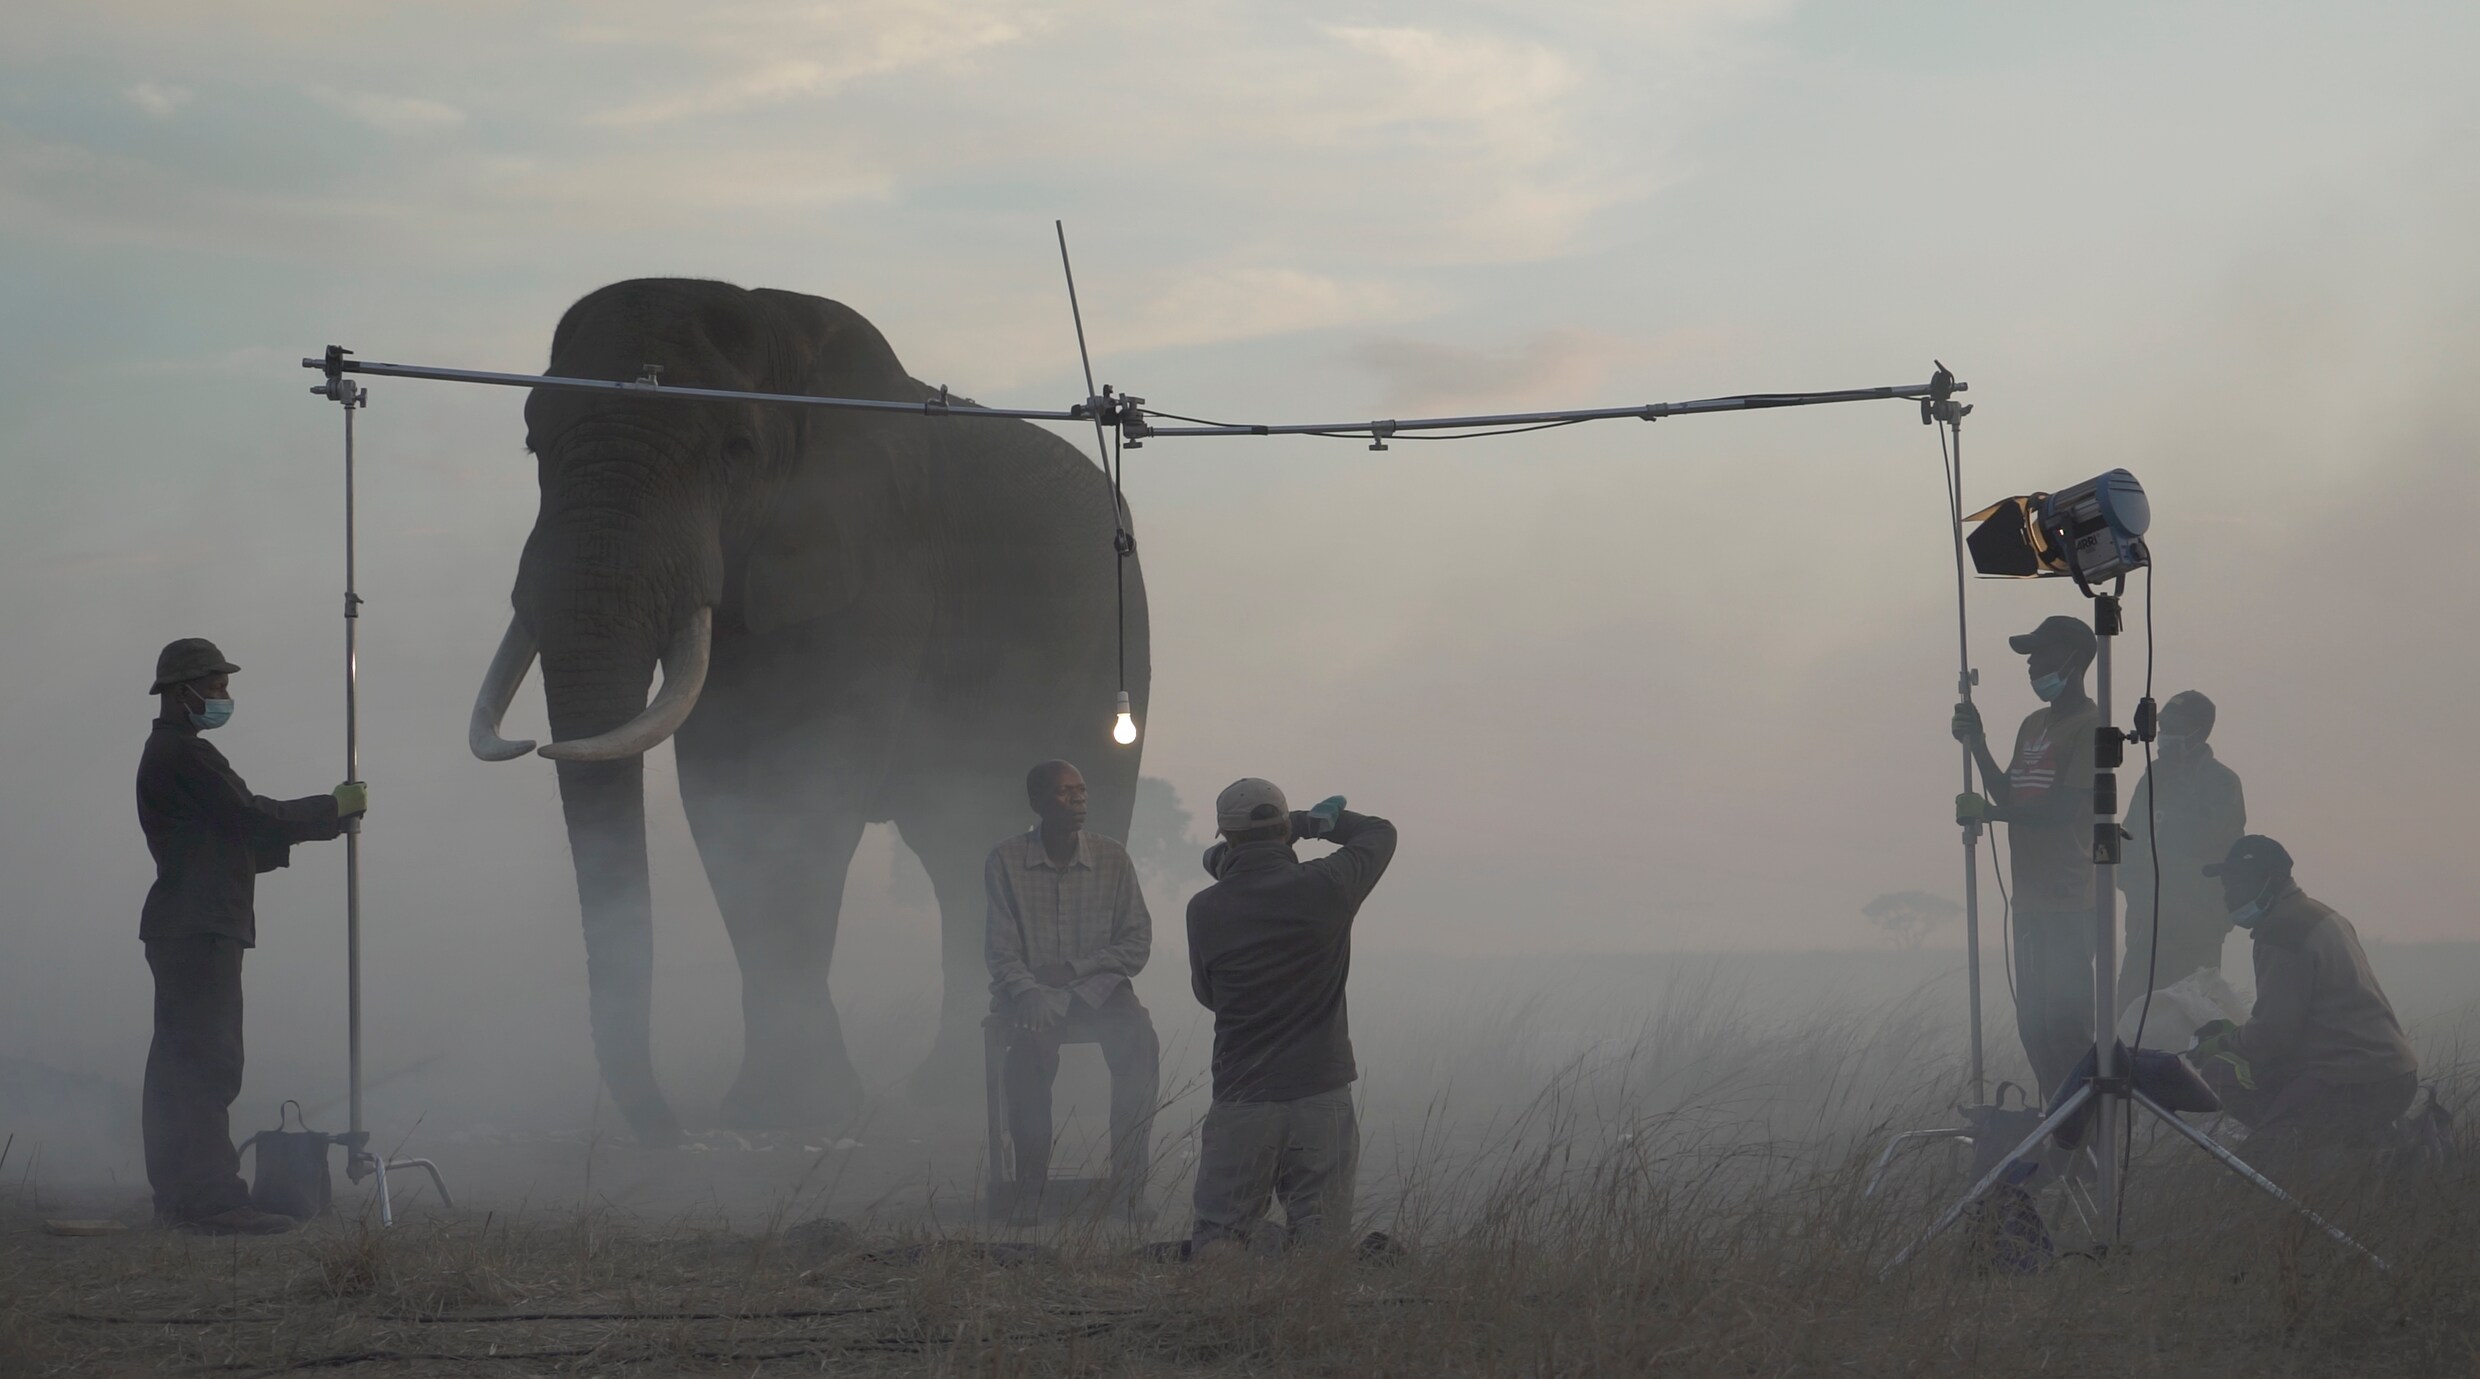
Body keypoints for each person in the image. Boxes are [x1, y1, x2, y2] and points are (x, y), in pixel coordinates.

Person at [137, 638, 365, 1234]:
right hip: (198, 928)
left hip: (191, 925)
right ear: (180, 691)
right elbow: (250, 816)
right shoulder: (188, 755)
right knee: (204, 1062)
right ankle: (208, 1202)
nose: (225, 697)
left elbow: (234, 842)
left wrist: (324, 824)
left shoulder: (173, 755)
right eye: (216, 687)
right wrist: (328, 809)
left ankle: (184, 1196)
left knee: (185, 1060)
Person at [1186, 779, 1396, 1254]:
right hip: (1320, 1092)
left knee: (1221, 1236)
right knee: (1320, 1242)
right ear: (1284, 829)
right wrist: (1308, 825)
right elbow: (1379, 833)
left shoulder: (1204, 909)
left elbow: (1208, 994)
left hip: (1244, 1095)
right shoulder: (1328, 885)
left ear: (1226, 835)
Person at [983, 759, 1159, 1224]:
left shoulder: (1111, 857)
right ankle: (1030, 1189)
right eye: (1065, 793)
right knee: (1026, 1059)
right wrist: (1027, 990)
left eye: (1082, 791)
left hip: (1100, 988)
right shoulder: (1006, 859)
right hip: (1033, 992)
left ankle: (1129, 1188)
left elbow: (1136, 942)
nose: (1079, 800)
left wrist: (1075, 969)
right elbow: (1001, 950)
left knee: (1139, 1042)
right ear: (1038, 803)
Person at [2190, 835, 2418, 1159]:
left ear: (2267, 881)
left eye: (2235, 883)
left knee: (2260, 1169)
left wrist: (2225, 1043)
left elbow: (2273, 1038)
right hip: (2394, 1074)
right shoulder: (2322, 915)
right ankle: (2364, 1150)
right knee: (2227, 1075)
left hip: (2353, 1081)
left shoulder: (2282, 932)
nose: (2227, 896)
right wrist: (2235, 1033)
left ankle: (2323, 1155)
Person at [1952, 614, 2100, 1100]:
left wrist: (1991, 815)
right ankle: (2059, 1121)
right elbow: (2010, 793)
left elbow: (2062, 810)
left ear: (2075, 659)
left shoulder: (2092, 726)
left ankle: (2084, 1122)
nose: (2033, 664)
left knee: (2068, 1026)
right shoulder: (2033, 724)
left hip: (2070, 898)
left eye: (2041, 654)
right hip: (2031, 899)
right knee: (2033, 1024)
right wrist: (1978, 745)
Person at [2116, 690, 2247, 1011]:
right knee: (2129, 1015)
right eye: (2163, 727)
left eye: (2175, 727)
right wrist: (2132, 886)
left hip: (2196, 930)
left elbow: (2216, 848)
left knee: (2188, 1019)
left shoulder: (2221, 783)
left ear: (2199, 732)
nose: (2165, 736)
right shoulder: (2153, 776)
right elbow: (2129, 837)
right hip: (2146, 925)